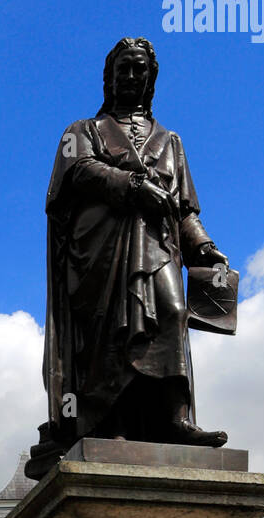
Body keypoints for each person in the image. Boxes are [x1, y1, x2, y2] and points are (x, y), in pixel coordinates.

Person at [28, 36, 231, 481]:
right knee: (109, 337)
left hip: (158, 246)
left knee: (173, 313)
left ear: (151, 78)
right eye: (125, 68)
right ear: (110, 76)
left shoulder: (170, 141)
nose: (132, 76)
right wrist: (132, 187)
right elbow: (76, 172)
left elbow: (185, 207)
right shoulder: (82, 131)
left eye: (141, 69)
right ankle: (109, 425)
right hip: (101, 253)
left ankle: (174, 419)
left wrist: (202, 247)